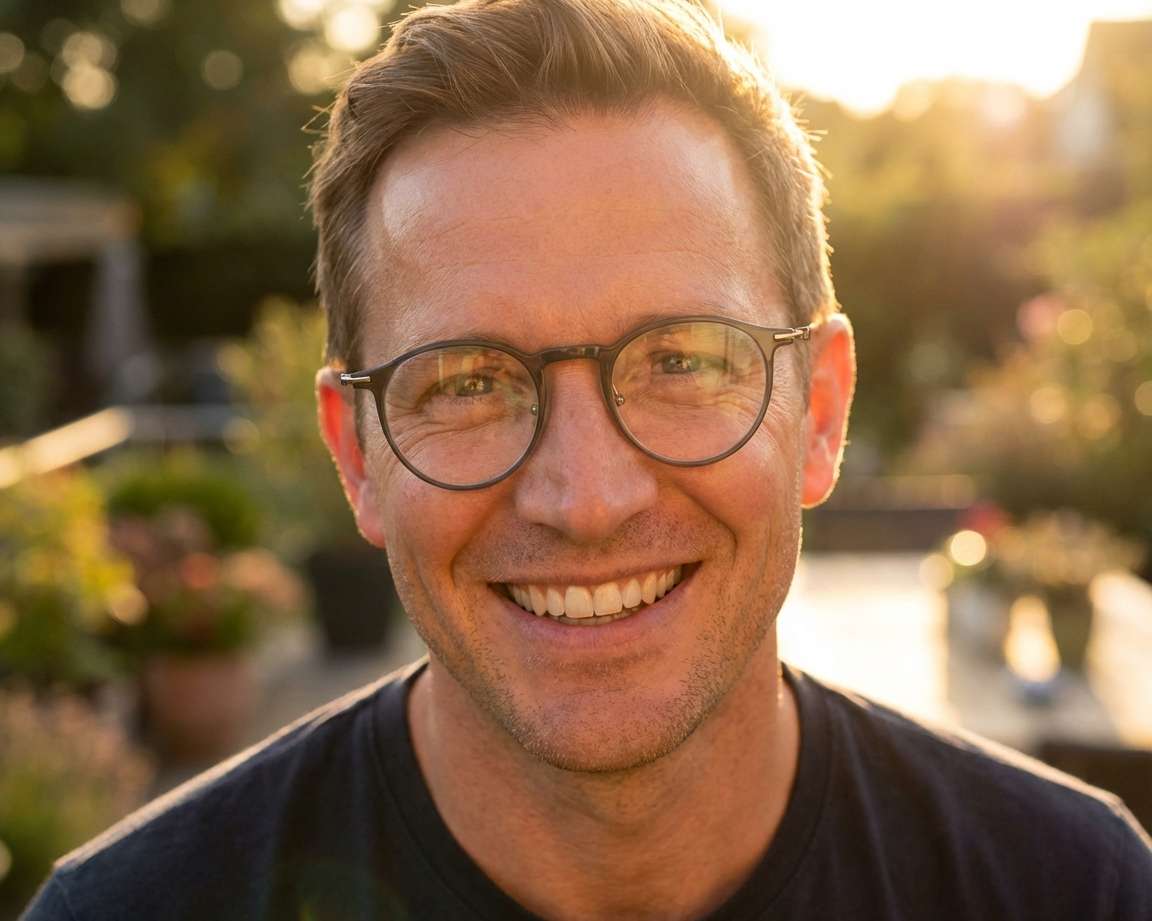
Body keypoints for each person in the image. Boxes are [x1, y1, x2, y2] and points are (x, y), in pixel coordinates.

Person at [23, 0, 1152, 918]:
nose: (588, 497)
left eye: (683, 360)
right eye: (468, 382)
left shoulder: (1075, 889)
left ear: (820, 410)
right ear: (356, 454)